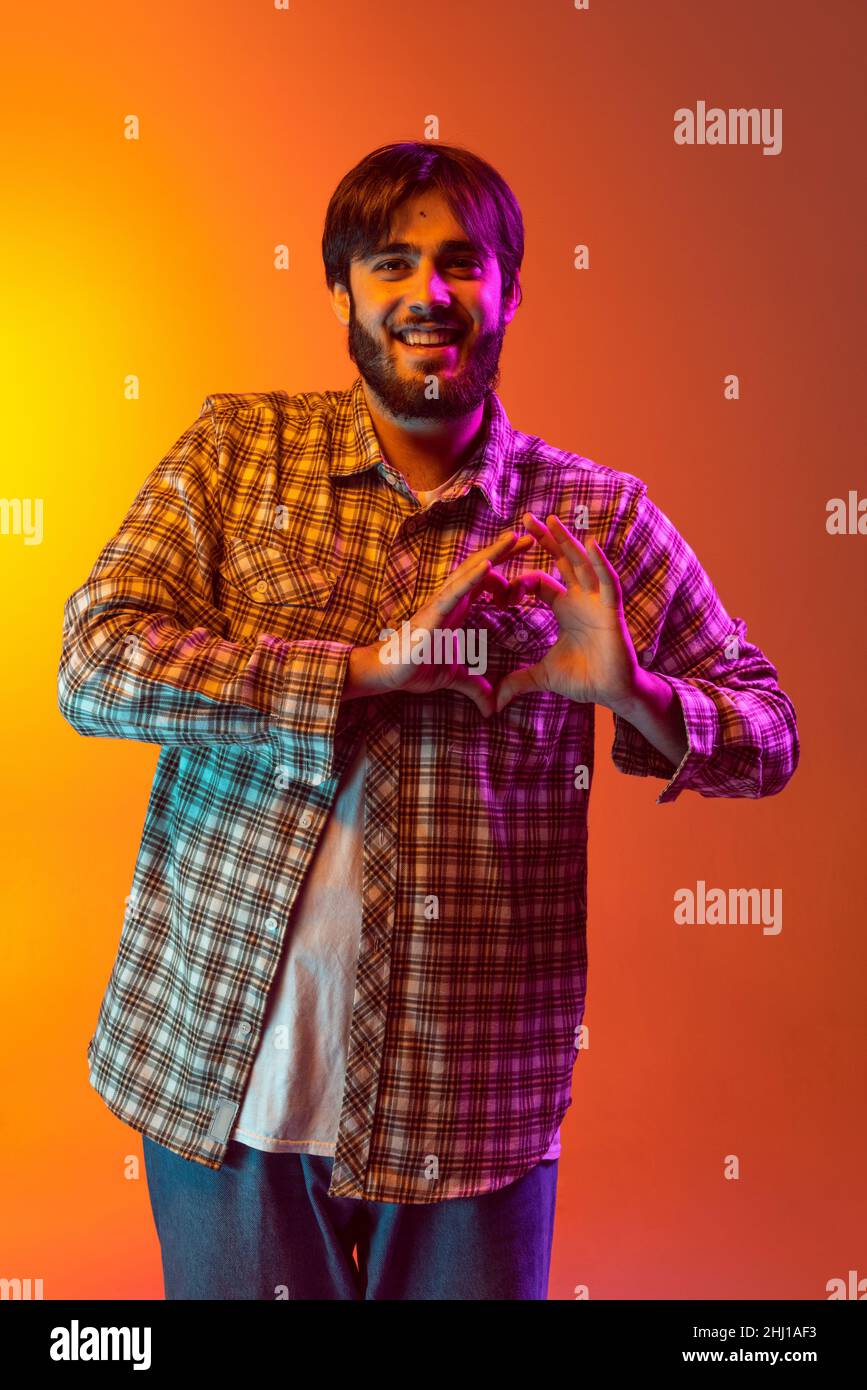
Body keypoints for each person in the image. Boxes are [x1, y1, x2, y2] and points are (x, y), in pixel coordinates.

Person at [57, 140, 800, 1300]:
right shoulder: (236, 454)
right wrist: (364, 668)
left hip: (474, 1115)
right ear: (342, 290)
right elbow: (94, 665)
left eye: (464, 263)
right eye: (393, 262)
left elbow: (772, 734)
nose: (430, 294)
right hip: (224, 1080)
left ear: (510, 291)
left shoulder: (593, 516)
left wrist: (634, 691)